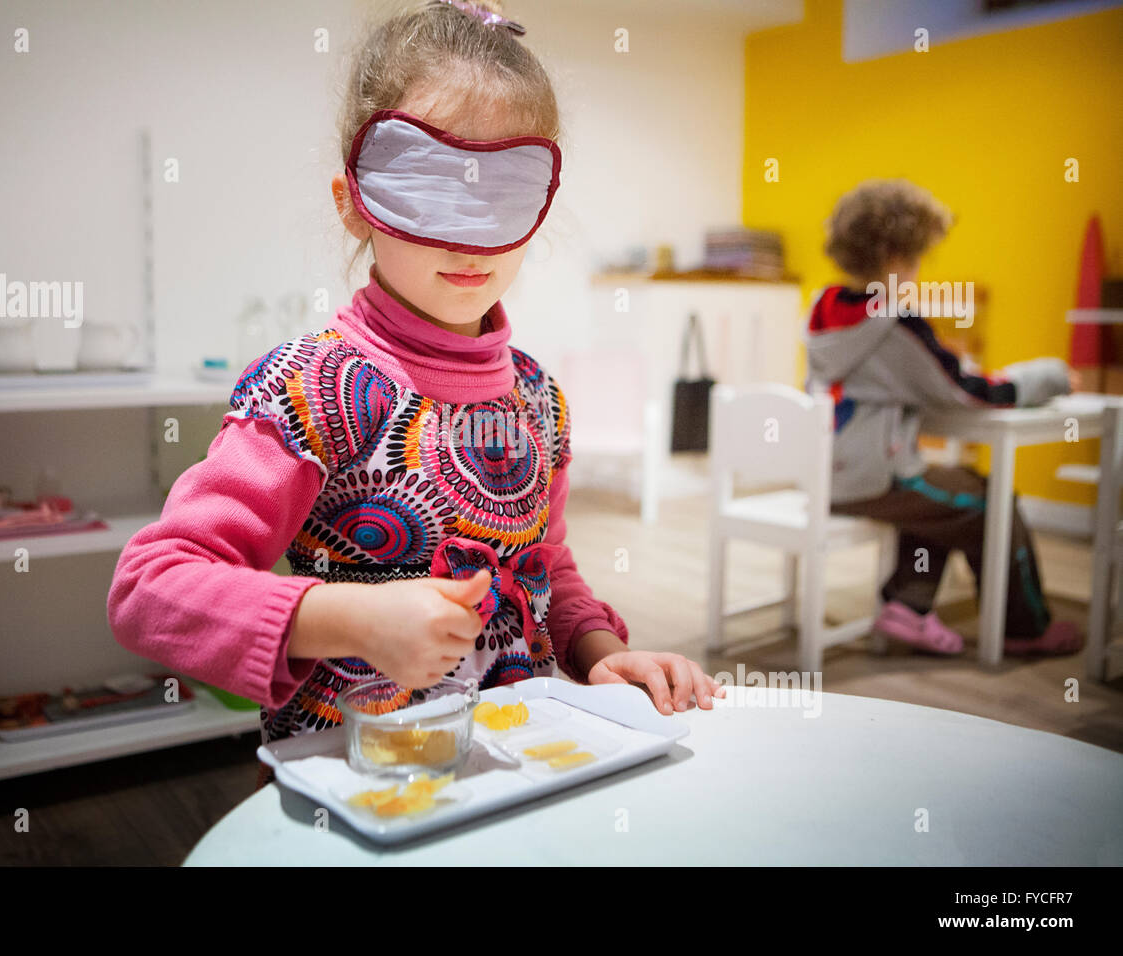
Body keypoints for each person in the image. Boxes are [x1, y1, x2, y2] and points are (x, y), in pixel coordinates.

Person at [107, 0, 725, 764]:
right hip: (359, 791)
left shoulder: (537, 397)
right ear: (353, 205)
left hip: (520, 771)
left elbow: (546, 567)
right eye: (432, 188)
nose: (468, 236)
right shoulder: (308, 388)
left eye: (500, 193)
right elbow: (150, 590)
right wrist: (347, 619)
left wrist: (597, 652)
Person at [804, 179, 1082, 656]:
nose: (916, 271)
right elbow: (967, 392)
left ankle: (909, 607)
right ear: (895, 257)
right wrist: (1050, 375)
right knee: (992, 502)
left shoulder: (823, 309)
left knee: (951, 490)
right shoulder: (895, 323)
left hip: (826, 470)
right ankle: (1024, 627)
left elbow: (906, 379)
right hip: (875, 476)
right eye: (916, 259)